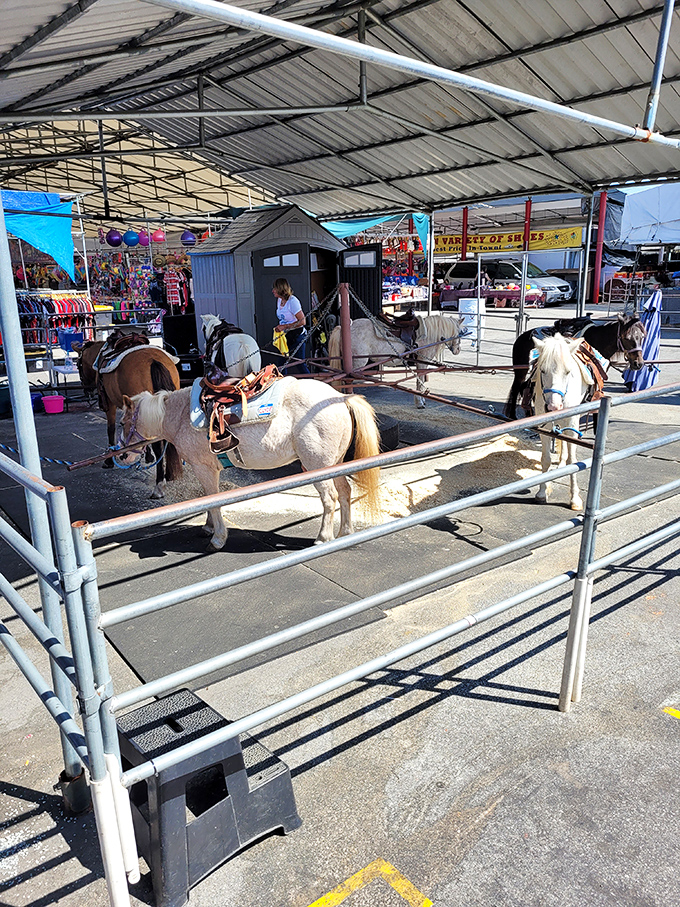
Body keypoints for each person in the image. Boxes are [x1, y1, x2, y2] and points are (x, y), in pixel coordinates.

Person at [272, 277, 310, 374]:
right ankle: (282, 383)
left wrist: (284, 327)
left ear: (280, 289)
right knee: (281, 363)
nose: (273, 291)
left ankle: (310, 382)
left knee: (300, 363)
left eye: (275, 289)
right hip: (285, 336)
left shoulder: (292, 301)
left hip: (297, 335)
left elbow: (302, 321)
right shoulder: (279, 300)